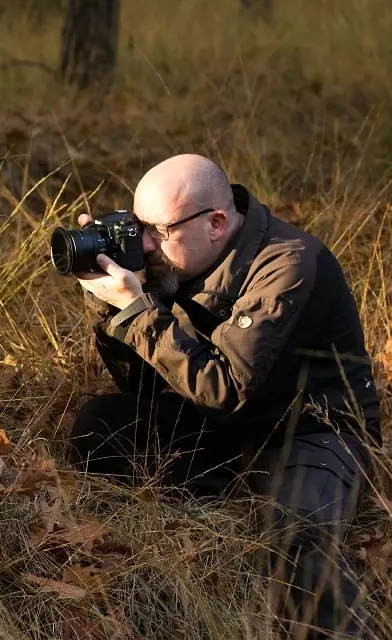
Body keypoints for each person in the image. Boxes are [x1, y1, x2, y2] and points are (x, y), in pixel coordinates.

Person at [66, 153, 382, 639]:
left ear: (216, 223)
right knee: (99, 424)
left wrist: (137, 311)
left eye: (157, 231)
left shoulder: (288, 265)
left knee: (297, 537)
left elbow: (224, 388)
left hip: (310, 429)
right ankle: (211, 511)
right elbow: (148, 388)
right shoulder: (183, 254)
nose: (146, 244)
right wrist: (114, 305)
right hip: (229, 420)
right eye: (137, 226)